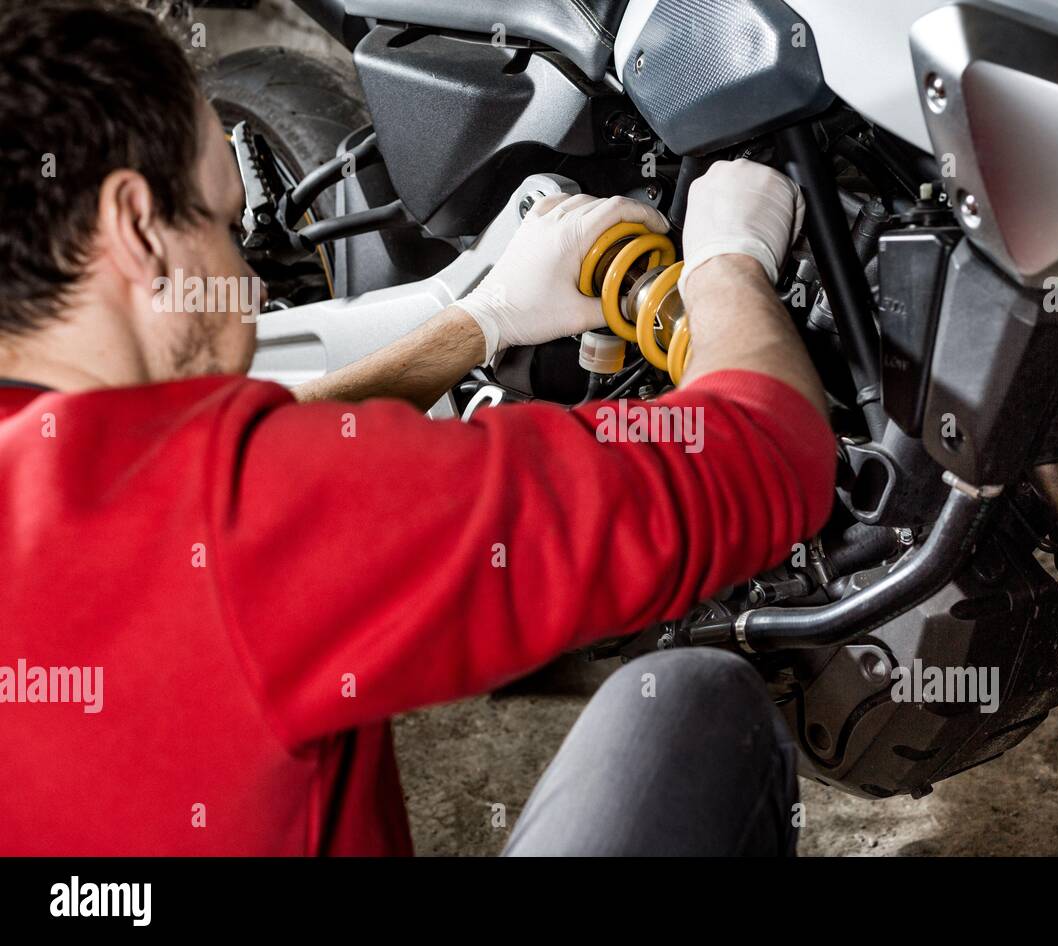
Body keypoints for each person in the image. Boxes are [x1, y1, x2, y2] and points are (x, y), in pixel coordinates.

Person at [0, 0, 833, 855]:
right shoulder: (236, 522)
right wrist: (731, 265)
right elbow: (768, 453)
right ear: (138, 228)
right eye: (219, 223)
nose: (246, 283)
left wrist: (484, 320)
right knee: (698, 705)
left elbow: (235, 479)